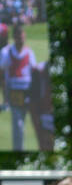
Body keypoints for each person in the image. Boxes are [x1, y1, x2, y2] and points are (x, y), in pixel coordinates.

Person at [0, 22, 35, 150]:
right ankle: (19, 149)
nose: (20, 39)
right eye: (18, 37)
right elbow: (2, 72)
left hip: (28, 93)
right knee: (18, 124)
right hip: (14, 92)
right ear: (14, 37)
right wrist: (5, 93)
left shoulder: (29, 53)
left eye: (22, 36)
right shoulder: (6, 53)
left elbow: (34, 72)